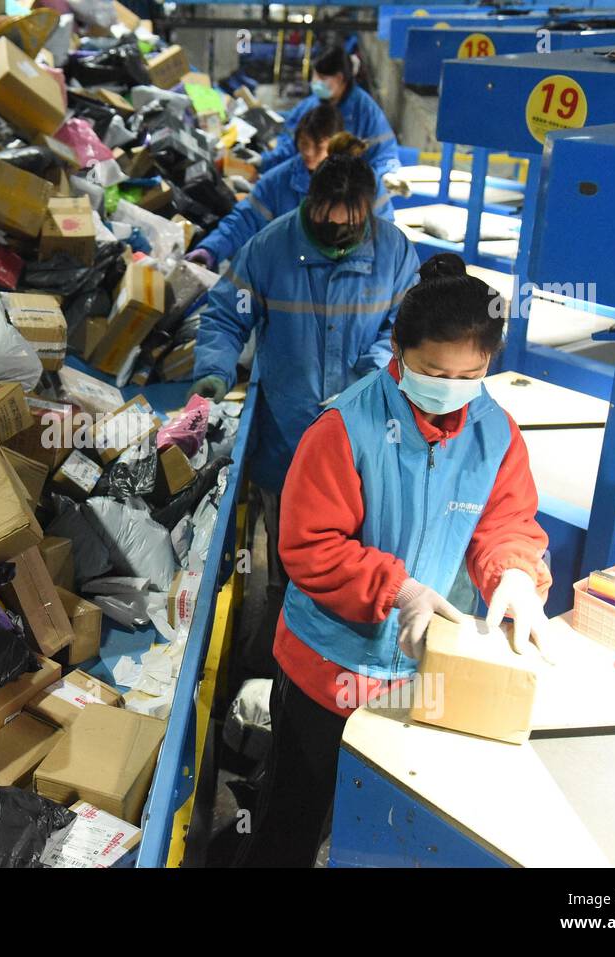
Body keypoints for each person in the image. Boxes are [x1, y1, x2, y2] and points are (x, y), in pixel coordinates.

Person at [240, 252, 555, 868]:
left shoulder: (497, 434)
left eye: (471, 375)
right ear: (400, 354)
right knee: (294, 814)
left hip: (420, 670)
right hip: (330, 664)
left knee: (387, 819)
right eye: (435, 372)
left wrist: (514, 571)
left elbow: (506, 523)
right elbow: (311, 546)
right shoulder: (343, 428)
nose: (451, 390)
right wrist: (398, 589)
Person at [190, 152, 419, 666]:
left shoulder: (395, 252)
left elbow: (405, 329)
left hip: (365, 442)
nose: (337, 226)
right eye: (326, 215)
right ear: (309, 202)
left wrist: (370, 371)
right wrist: (214, 369)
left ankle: (356, 649)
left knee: (361, 549)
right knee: (291, 555)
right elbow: (227, 315)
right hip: (286, 440)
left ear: (368, 208)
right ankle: (284, 644)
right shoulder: (270, 250)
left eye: (350, 218)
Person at [188, 106, 394, 270]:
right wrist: (210, 249)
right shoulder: (279, 182)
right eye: (304, 144)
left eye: (319, 147)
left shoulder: (365, 184)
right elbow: (244, 219)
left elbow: (385, 239)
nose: (310, 153)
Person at [261, 46, 400, 183]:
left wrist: (387, 176)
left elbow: (384, 153)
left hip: (349, 187)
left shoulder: (365, 111)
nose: (315, 82)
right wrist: (263, 161)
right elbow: (288, 143)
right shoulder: (311, 105)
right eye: (315, 75)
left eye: (321, 77)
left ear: (340, 78)